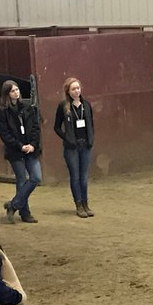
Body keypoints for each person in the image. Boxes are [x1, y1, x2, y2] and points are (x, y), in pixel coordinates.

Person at [0, 80, 42, 224]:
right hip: (15, 151)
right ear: (7, 94)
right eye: (13, 91)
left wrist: (33, 145)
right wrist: (20, 146)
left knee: (36, 177)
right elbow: (4, 134)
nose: (16, 92)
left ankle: (13, 204)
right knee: (21, 179)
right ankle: (25, 213)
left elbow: (36, 127)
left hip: (31, 149)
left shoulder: (27, 108)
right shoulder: (3, 112)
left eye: (17, 90)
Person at [53, 77, 95, 218]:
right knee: (75, 177)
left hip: (85, 145)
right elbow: (56, 127)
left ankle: (85, 203)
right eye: (73, 89)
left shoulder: (86, 105)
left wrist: (90, 139)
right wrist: (68, 138)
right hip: (71, 148)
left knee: (84, 177)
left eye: (78, 88)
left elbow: (91, 124)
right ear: (68, 91)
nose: (77, 91)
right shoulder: (63, 106)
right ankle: (78, 205)